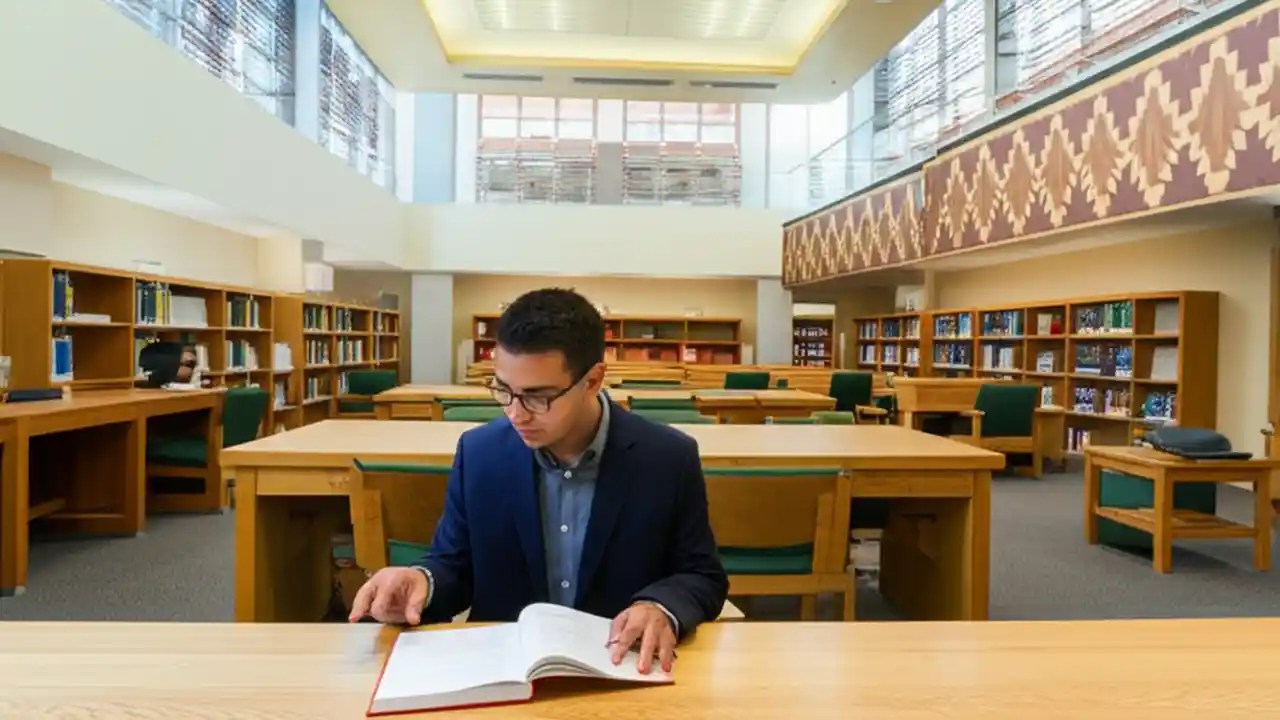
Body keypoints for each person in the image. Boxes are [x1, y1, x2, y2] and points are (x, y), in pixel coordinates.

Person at [349, 288, 727, 674]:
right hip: (505, 673)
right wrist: (421, 580)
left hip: (623, 667)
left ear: (593, 380)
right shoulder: (480, 454)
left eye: (538, 396)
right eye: (504, 390)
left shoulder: (666, 457)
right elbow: (455, 565)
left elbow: (701, 575)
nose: (516, 413)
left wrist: (659, 607)